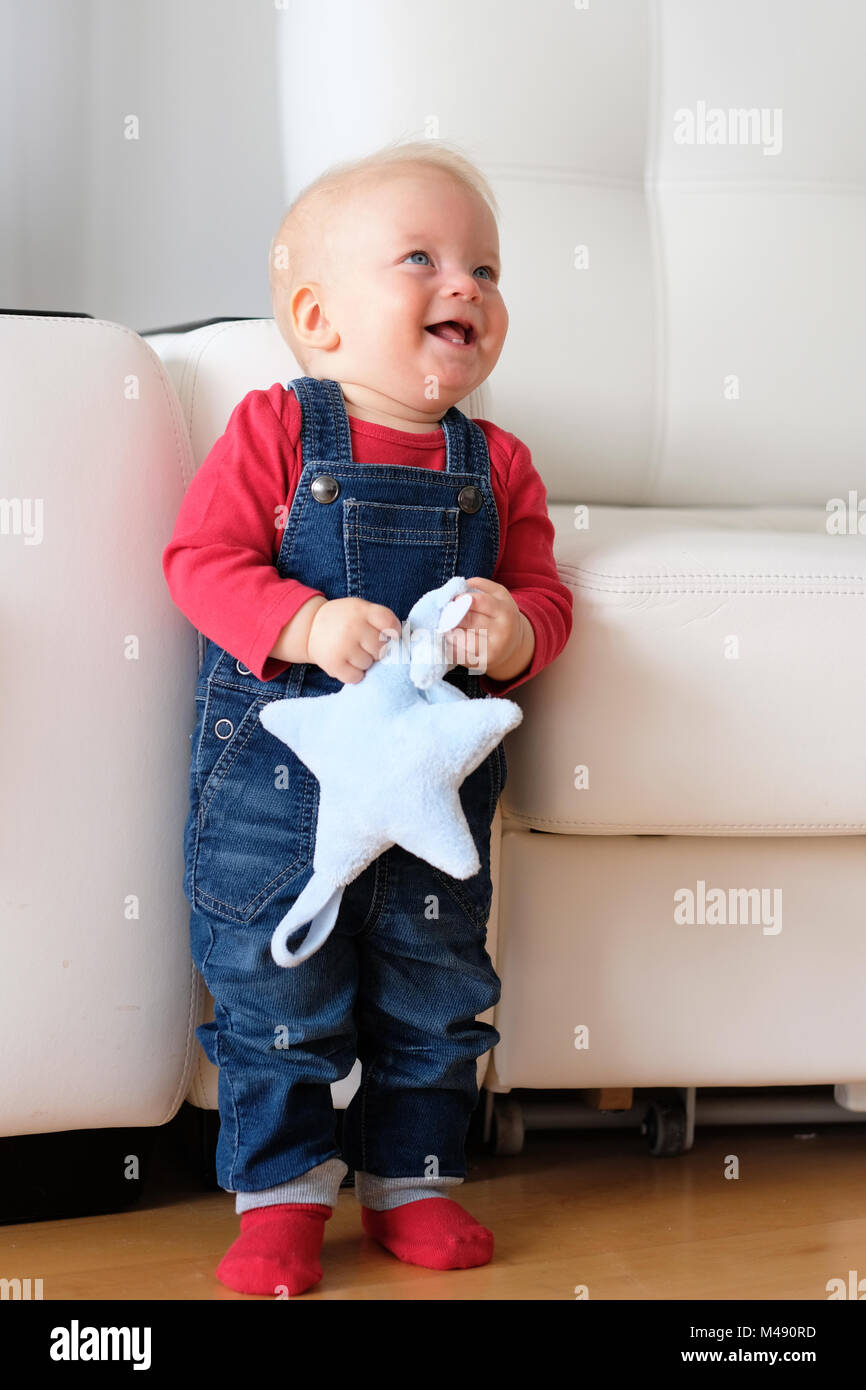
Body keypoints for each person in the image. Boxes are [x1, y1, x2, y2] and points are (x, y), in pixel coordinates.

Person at [162, 138, 573, 1296]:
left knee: (435, 988)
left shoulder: (497, 464)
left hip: (432, 809)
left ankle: (415, 1179)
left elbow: (546, 597)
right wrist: (298, 624)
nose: (468, 287)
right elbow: (199, 561)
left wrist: (516, 627)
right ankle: (281, 1195)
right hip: (277, 802)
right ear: (319, 315)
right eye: (422, 259)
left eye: (486, 270)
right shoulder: (276, 431)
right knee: (274, 992)